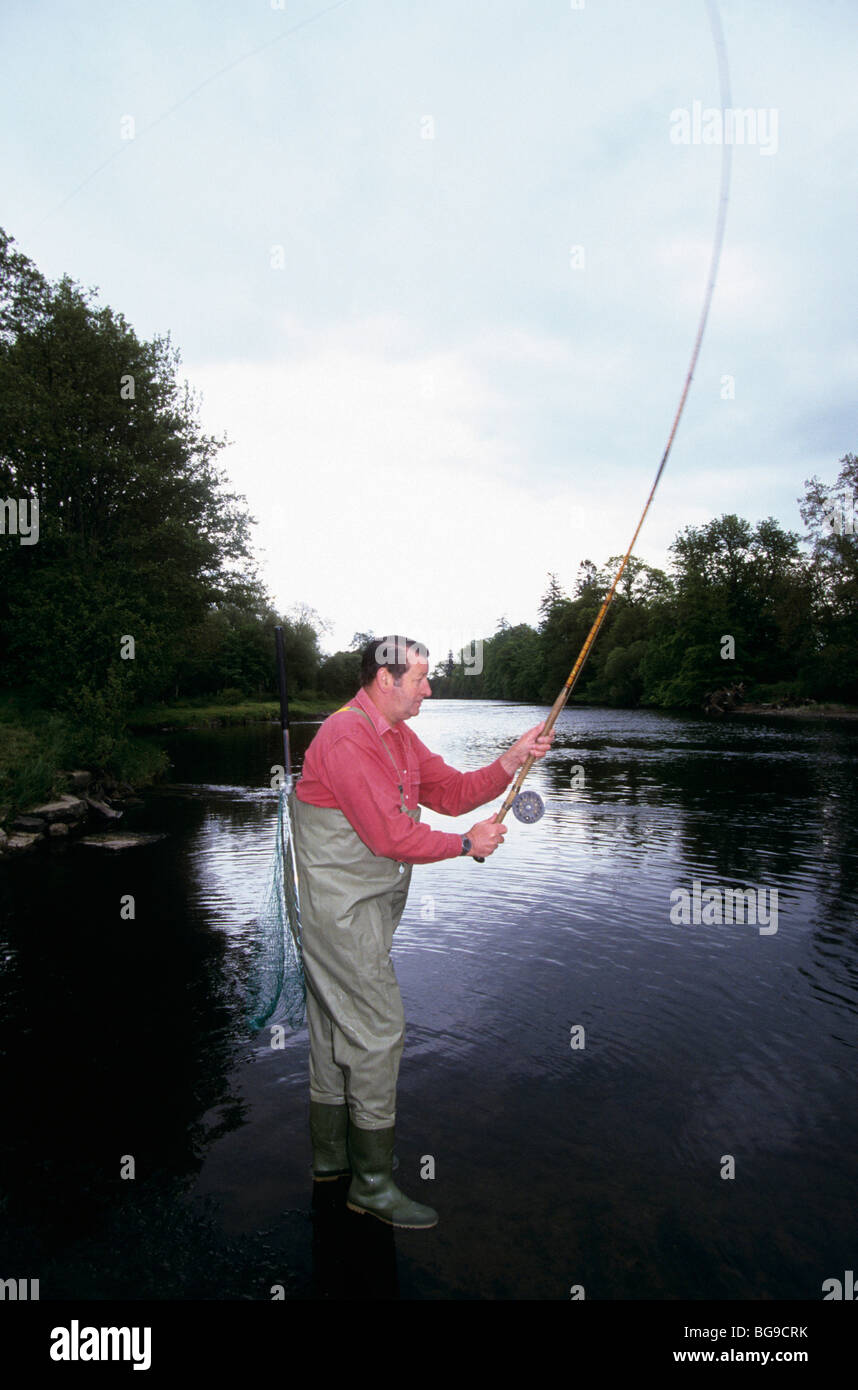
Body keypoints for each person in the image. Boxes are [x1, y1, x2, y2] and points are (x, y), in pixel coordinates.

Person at [292, 634, 553, 1229]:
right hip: (342, 915)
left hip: (365, 910)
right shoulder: (346, 737)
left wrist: (512, 761)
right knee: (379, 1030)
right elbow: (390, 836)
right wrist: (466, 845)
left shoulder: (398, 737)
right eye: (419, 678)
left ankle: (332, 1164)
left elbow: (451, 792)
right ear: (385, 680)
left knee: (339, 1030)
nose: (429, 688)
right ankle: (373, 1185)